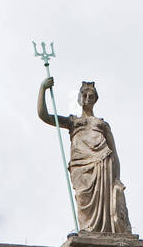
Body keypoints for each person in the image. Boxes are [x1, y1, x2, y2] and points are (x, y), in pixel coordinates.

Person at [37, 78, 133, 234]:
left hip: (102, 162)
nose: (88, 99)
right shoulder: (73, 121)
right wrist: (43, 88)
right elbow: (44, 116)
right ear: (79, 99)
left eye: (91, 96)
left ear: (95, 100)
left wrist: (117, 178)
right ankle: (86, 230)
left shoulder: (102, 124)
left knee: (104, 201)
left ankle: (104, 233)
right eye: (85, 95)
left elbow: (114, 152)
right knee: (83, 197)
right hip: (81, 165)